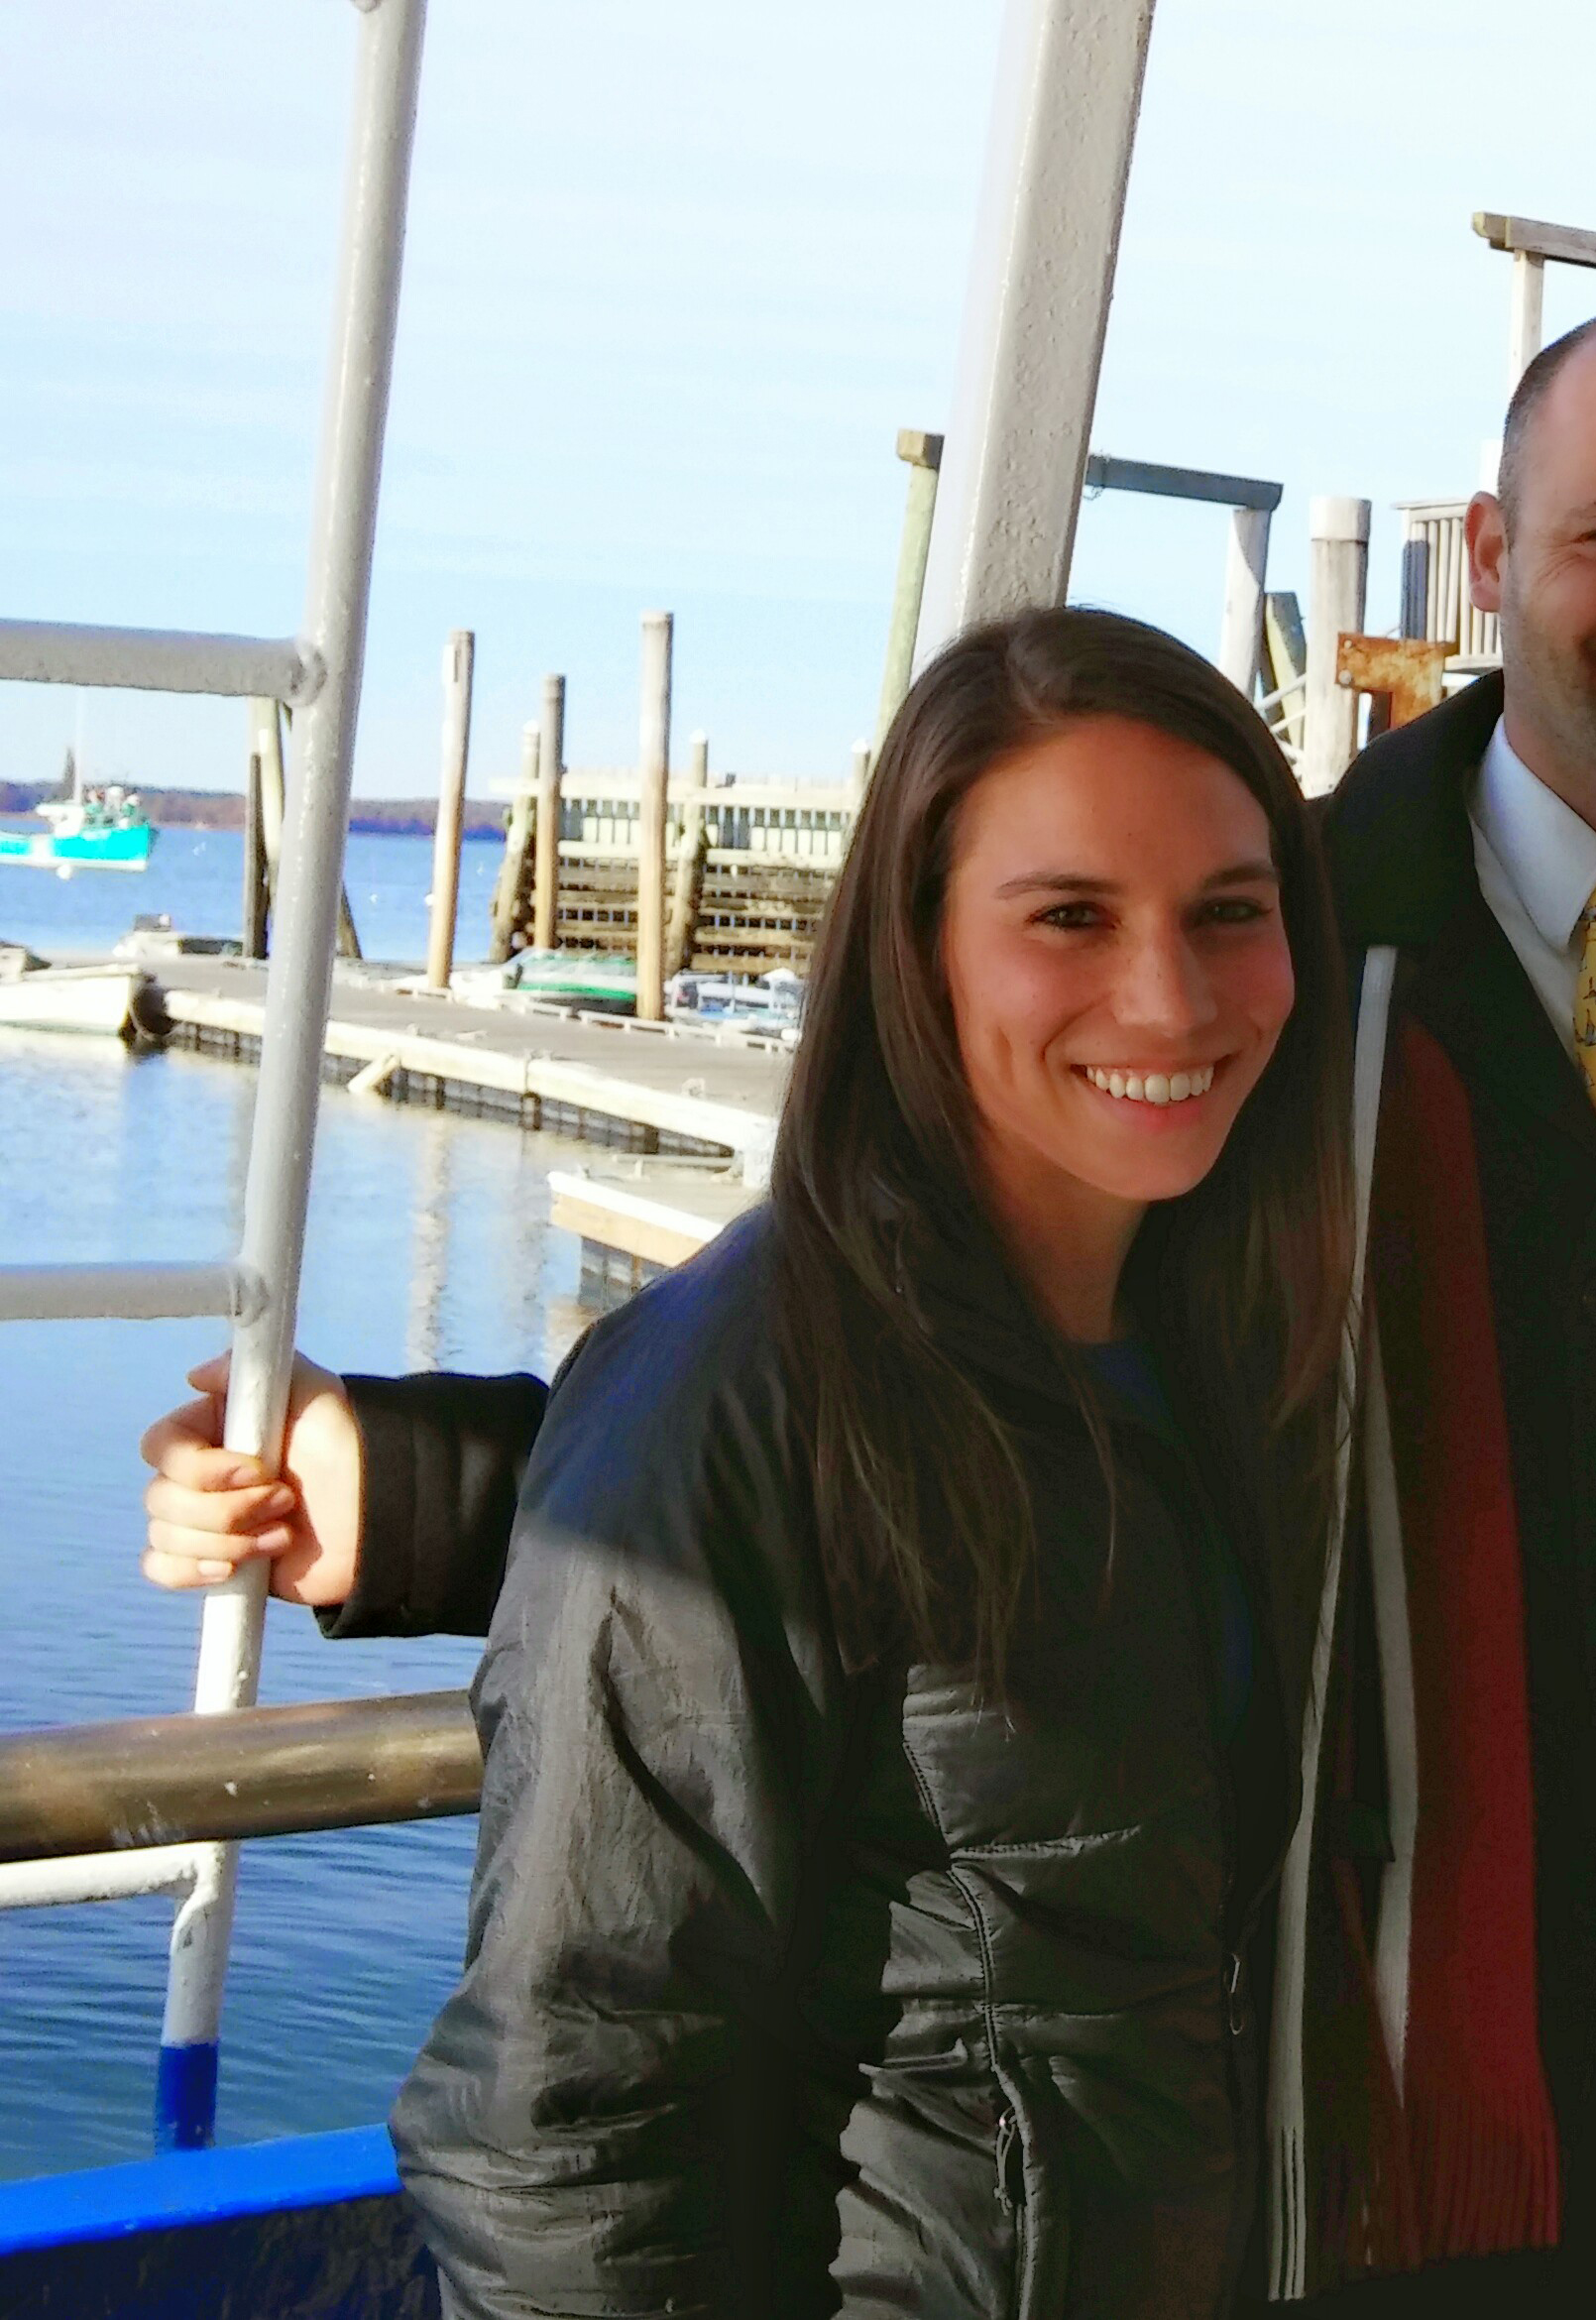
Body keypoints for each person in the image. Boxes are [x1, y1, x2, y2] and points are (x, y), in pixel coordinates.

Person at [138, 307, 1596, 2320]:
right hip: (1340, 2123)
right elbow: (934, 1383)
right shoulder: (1283, 951)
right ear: (1488, 553)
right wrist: (422, 1484)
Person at [391, 606, 1354, 2314]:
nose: (1173, 995)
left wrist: (417, 1494)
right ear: (915, 950)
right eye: (1070, 916)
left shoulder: (1216, 1339)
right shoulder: (740, 1388)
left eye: (1232, 912)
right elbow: (560, 2125)